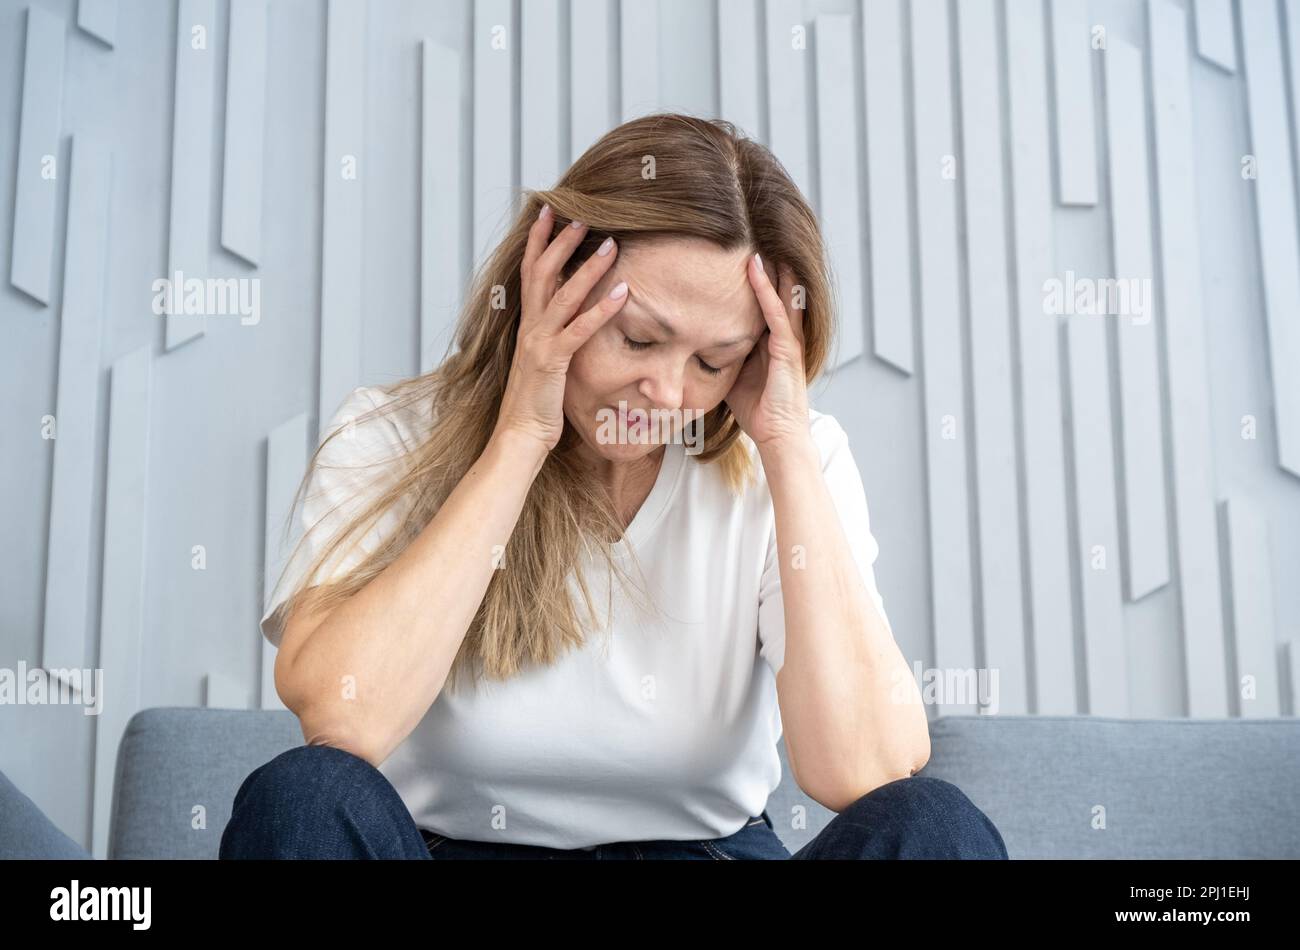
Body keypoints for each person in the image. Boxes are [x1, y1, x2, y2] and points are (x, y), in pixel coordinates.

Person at [220, 113, 1008, 860]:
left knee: (933, 824)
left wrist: (788, 448)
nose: (667, 393)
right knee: (303, 796)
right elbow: (341, 719)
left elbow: (868, 768)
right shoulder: (388, 433)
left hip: (707, 853)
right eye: (637, 338)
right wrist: (519, 439)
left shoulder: (796, 458)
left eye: (713, 361)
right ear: (551, 280)